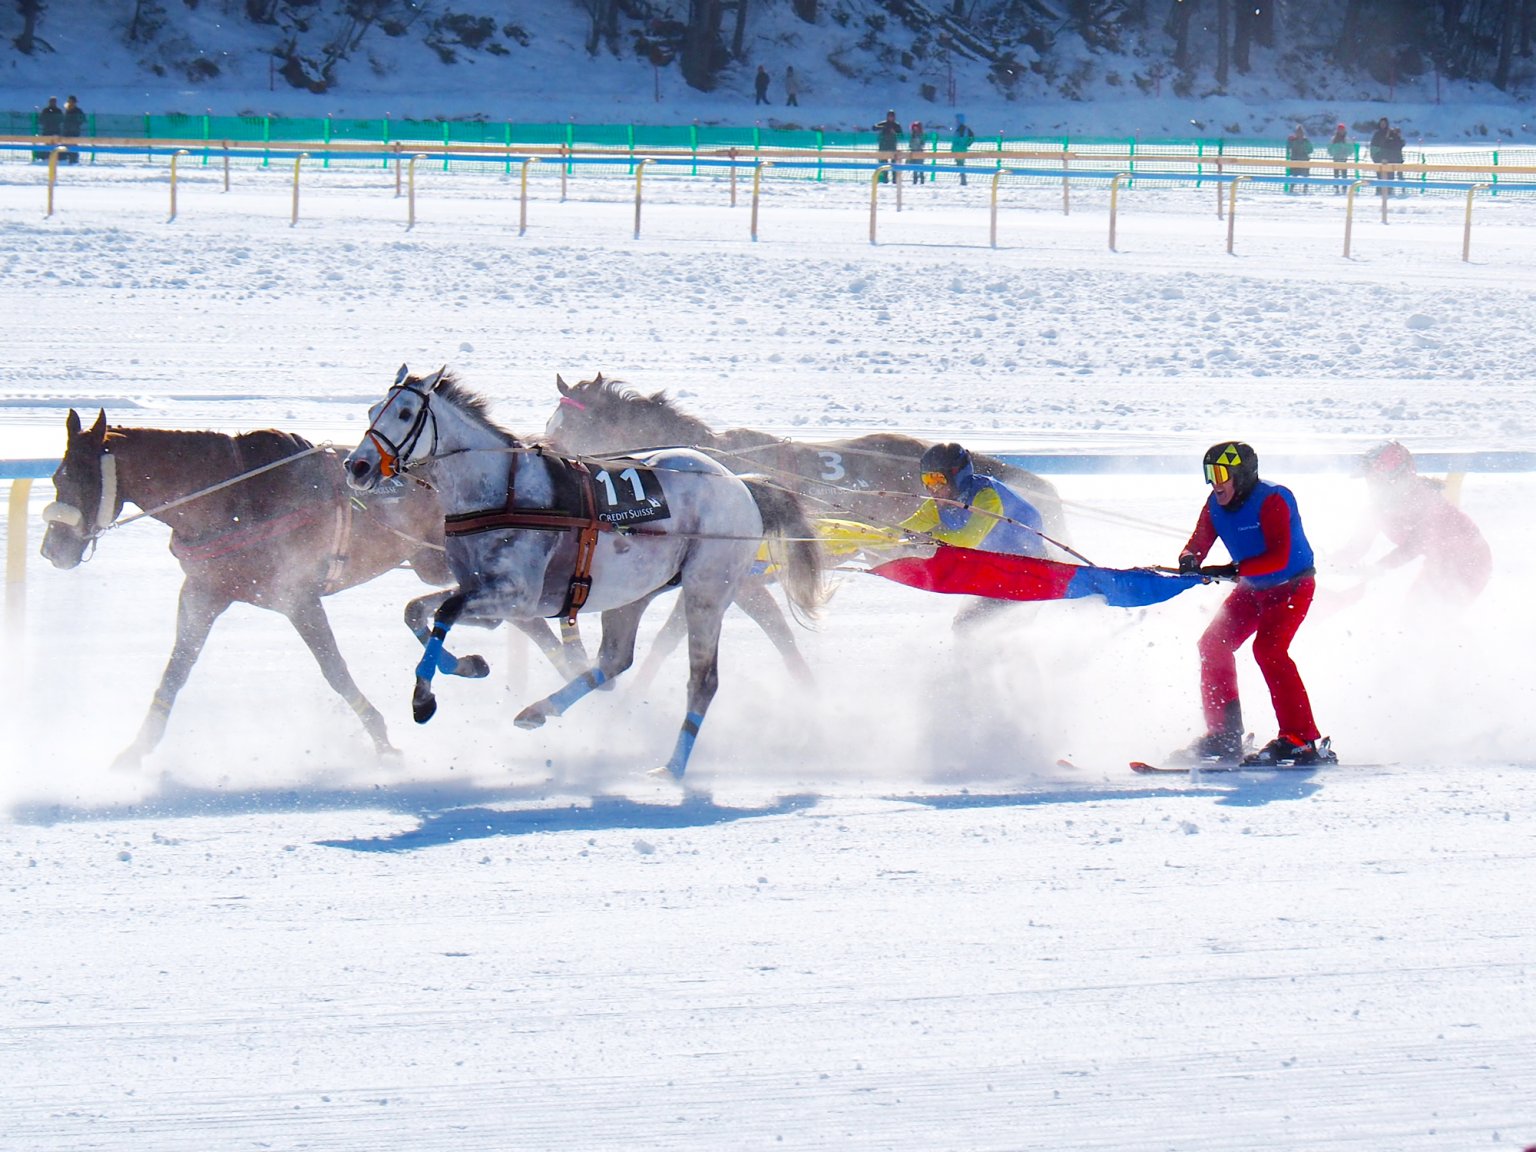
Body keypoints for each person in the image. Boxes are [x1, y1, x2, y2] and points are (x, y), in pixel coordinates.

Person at [1175, 442, 1335, 766]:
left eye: (1221, 474)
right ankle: (1224, 734)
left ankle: (1300, 738)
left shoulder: (1275, 499)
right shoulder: (1214, 505)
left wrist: (1233, 570)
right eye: (1209, 473)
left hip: (1291, 587)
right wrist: (1190, 559)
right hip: (1252, 589)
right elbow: (1198, 543)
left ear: (1242, 475)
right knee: (1212, 644)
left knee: (1269, 649)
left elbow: (1280, 557)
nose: (1214, 483)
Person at [1337, 441, 1492, 604]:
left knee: (1423, 615)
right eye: (1371, 481)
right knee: (1414, 614)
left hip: (1471, 562)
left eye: (1378, 481)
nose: (1373, 487)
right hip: (1438, 562)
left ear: (1401, 478)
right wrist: (1319, 567)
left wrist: (1378, 567)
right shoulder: (1377, 510)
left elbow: (1414, 547)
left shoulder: (1426, 501)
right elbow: (1356, 547)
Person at [901, 442, 1045, 557]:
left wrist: (930, 537)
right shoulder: (937, 505)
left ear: (957, 477)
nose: (931, 488)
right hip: (993, 556)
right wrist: (881, 535)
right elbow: (901, 529)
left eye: (938, 480)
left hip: (1026, 547)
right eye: (926, 480)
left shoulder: (986, 497)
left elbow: (969, 539)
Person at [873, 110, 903, 183]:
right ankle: (884, 179)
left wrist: (895, 132)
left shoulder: (896, 125)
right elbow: (874, 127)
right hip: (883, 147)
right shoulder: (884, 124)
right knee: (883, 164)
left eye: (892, 116)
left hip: (892, 147)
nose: (891, 118)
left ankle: (894, 179)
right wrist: (882, 127)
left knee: (894, 164)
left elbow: (901, 135)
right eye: (889, 116)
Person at [1285, 124, 1313, 194]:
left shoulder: (1306, 141)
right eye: (1298, 132)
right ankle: (1291, 190)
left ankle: (1305, 190)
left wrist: (1305, 150)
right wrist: (1289, 140)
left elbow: (1311, 150)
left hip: (1304, 162)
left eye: (1301, 132)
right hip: (1294, 161)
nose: (1299, 134)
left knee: (1305, 177)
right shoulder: (1292, 141)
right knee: (1294, 177)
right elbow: (1288, 147)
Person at [1369, 116, 1392, 198]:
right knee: (1379, 175)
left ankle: (1389, 191)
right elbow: (1373, 146)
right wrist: (1374, 156)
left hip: (1389, 158)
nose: (1383, 125)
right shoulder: (1377, 134)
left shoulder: (1390, 133)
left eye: (1384, 123)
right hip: (1379, 158)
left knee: (1389, 176)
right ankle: (1379, 190)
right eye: (1381, 123)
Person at [1326, 123, 1351, 194]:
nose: (1341, 131)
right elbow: (1330, 148)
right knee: (1336, 174)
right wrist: (1332, 153)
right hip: (1336, 158)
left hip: (1344, 158)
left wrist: (1346, 153)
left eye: (1342, 129)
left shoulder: (1346, 139)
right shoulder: (1334, 139)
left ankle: (1344, 187)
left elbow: (1350, 148)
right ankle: (1336, 187)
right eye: (1340, 129)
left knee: (1344, 174)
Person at [35, 96, 61, 162]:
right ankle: (46, 158)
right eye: (51, 101)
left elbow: (61, 120)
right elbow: (41, 120)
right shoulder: (46, 110)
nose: (52, 103)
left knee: (55, 145)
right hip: (47, 130)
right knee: (47, 145)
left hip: (55, 130)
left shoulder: (58, 111)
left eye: (54, 102)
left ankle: (54, 158)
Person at [951, 113, 976, 186]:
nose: (955, 121)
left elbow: (972, 138)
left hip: (960, 150)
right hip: (958, 150)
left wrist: (966, 144)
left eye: (956, 119)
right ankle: (962, 180)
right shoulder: (959, 129)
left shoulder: (963, 129)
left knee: (961, 165)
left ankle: (963, 181)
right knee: (959, 165)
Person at [60, 94, 85, 164]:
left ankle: (73, 160)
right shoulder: (66, 111)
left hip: (74, 132)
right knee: (63, 146)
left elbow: (82, 119)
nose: (71, 103)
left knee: (73, 147)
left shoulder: (78, 111)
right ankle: (63, 160)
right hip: (65, 132)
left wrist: (75, 123)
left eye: (72, 102)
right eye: (69, 101)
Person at [1383, 125, 1406, 196]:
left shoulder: (1397, 140)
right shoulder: (1395, 140)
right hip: (1394, 160)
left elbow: (1400, 144)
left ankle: (1401, 189)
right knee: (1392, 176)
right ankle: (1392, 189)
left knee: (1397, 176)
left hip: (1396, 160)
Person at [908, 120, 926, 184]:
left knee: (921, 167)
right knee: (914, 167)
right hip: (913, 152)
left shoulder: (921, 136)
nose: (915, 129)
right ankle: (915, 180)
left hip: (920, 153)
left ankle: (922, 179)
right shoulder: (912, 136)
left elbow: (922, 144)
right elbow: (910, 144)